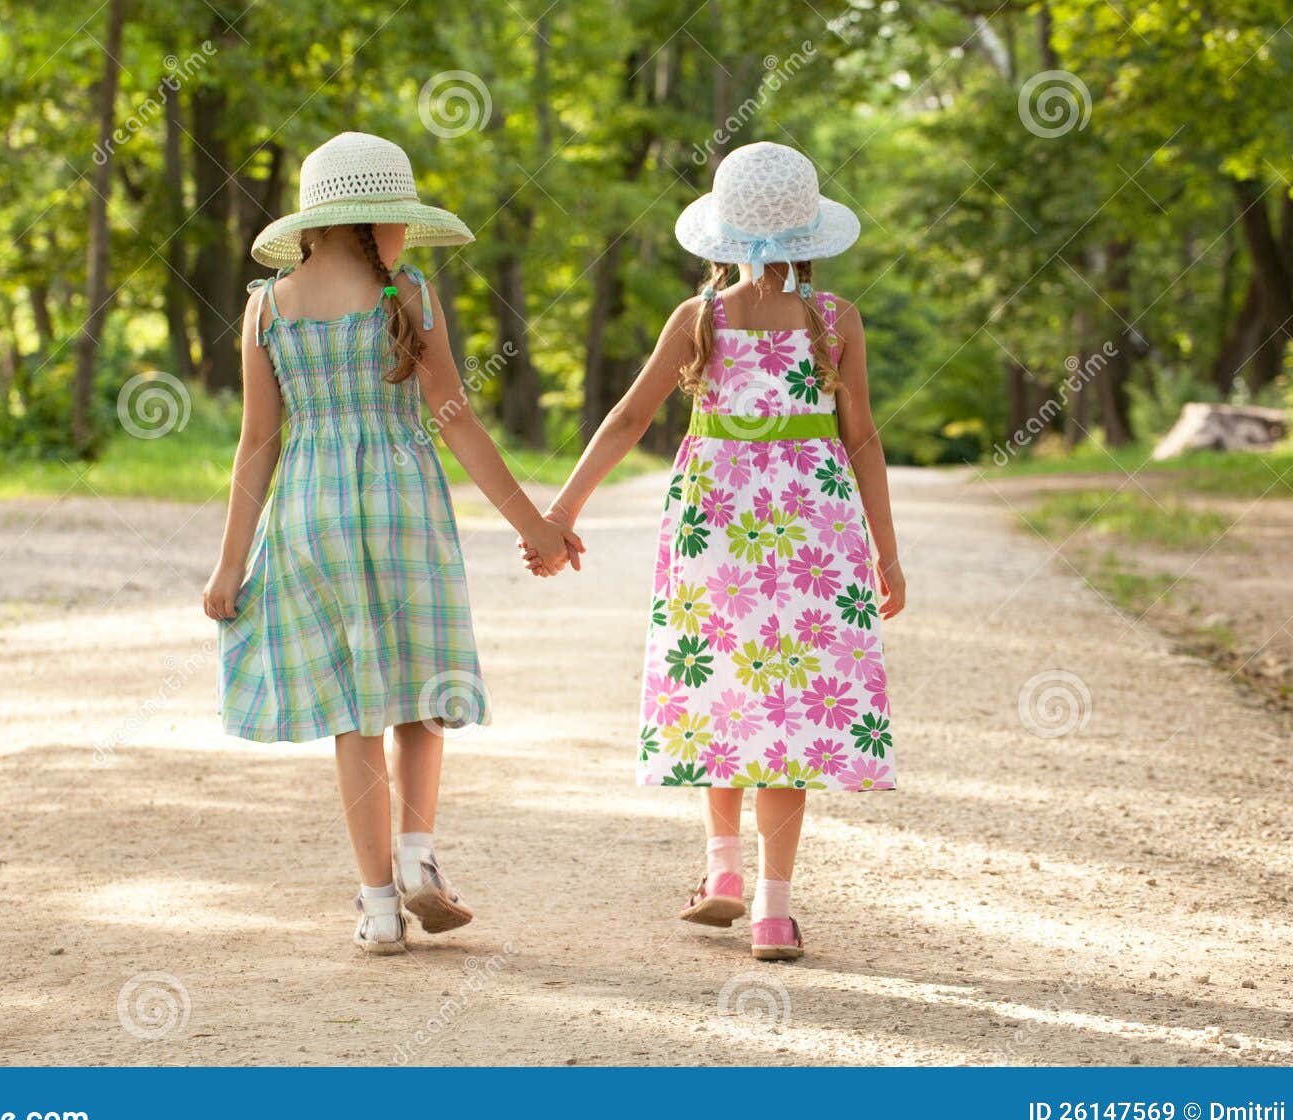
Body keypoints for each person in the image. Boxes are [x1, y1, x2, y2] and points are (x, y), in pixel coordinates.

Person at [522, 142, 903, 961]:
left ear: (722, 238)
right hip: (813, 530)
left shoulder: (701, 318)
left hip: (717, 521)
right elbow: (861, 437)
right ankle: (772, 908)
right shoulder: (834, 319)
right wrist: (887, 552)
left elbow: (627, 420)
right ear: (809, 234)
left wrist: (560, 512)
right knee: (792, 709)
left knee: (727, 691)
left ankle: (722, 869)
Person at [205, 132, 581, 955]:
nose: (406, 236)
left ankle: (378, 908)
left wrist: (231, 561)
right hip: (404, 507)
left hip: (311, 516)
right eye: (400, 220)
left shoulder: (268, 307)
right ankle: (418, 857)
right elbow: (458, 422)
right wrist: (535, 525)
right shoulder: (408, 295)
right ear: (375, 223)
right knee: (422, 688)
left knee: (354, 714)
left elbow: (256, 444)